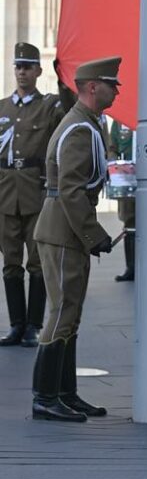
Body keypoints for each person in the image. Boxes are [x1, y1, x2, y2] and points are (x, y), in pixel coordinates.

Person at [31, 56, 121, 422]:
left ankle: (65, 393)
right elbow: (69, 189)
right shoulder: (80, 130)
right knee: (62, 312)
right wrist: (93, 234)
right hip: (63, 230)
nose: (117, 90)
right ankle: (45, 396)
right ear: (92, 86)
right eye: (112, 84)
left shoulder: (87, 124)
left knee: (71, 313)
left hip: (65, 229)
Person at [0, 43, 70, 348]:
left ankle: (33, 325)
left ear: (38, 71)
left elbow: (69, 113)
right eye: (18, 67)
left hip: (34, 192)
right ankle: (16, 325)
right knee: (11, 262)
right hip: (5, 193)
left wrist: (62, 80)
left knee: (38, 262)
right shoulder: (2, 107)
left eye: (27, 67)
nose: (22, 72)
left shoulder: (49, 105)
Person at [109, 120, 135, 282]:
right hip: (127, 177)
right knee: (130, 222)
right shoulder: (120, 120)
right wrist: (114, 165)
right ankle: (131, 267)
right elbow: (112, 147)